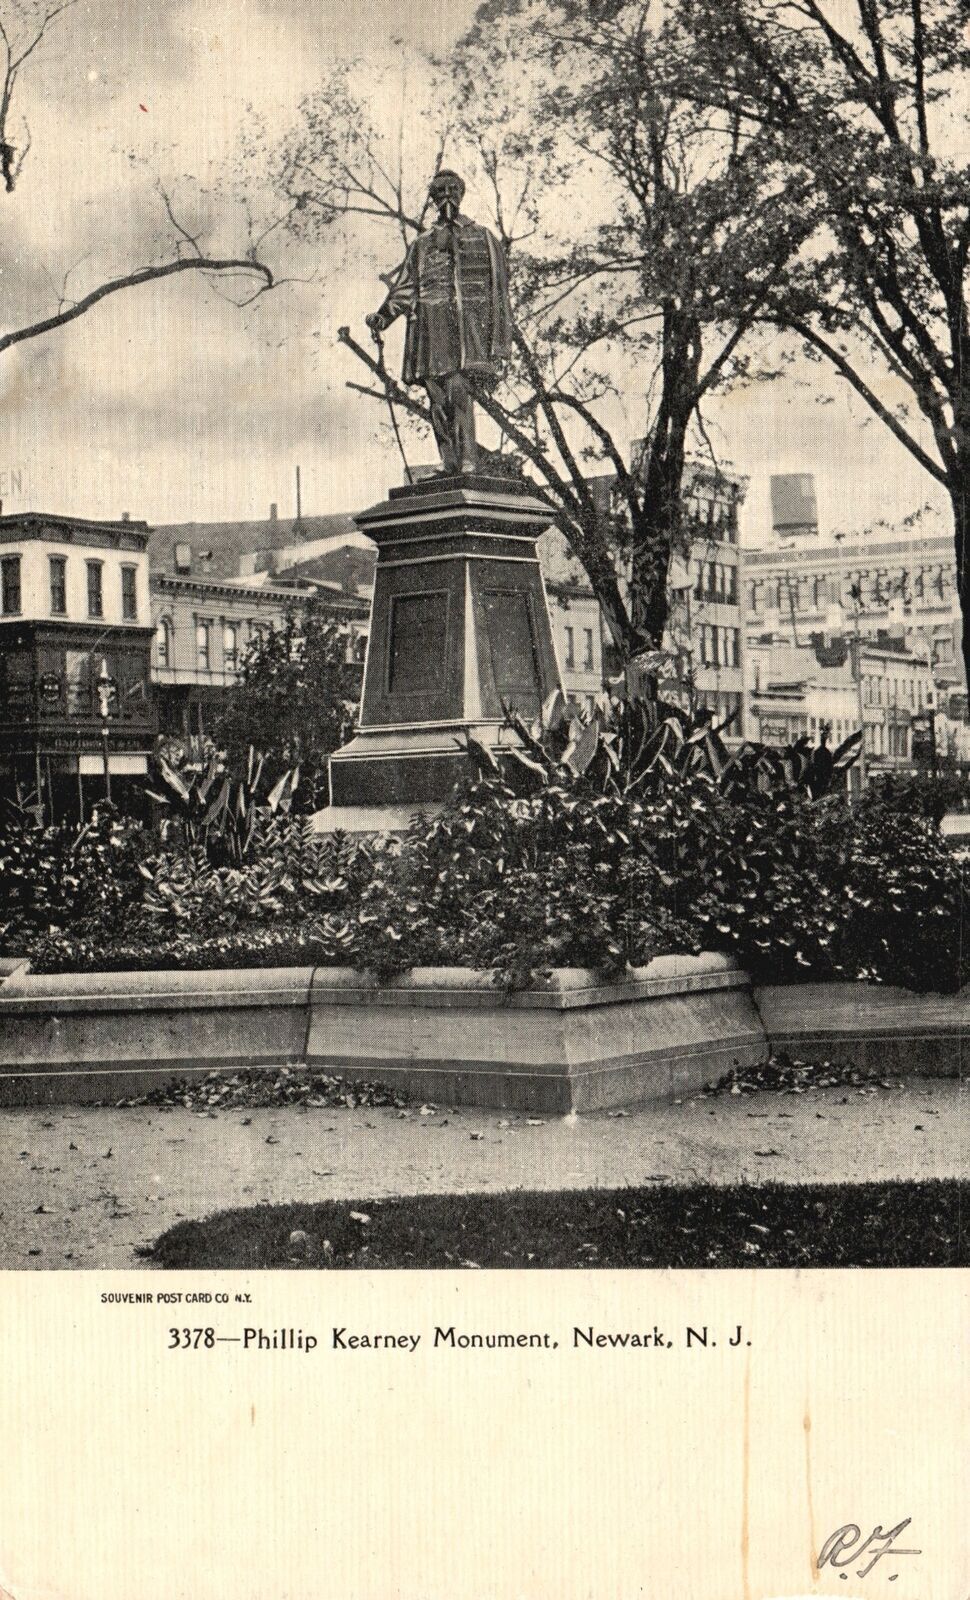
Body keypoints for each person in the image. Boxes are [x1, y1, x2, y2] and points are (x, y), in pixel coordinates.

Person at [365, 169, 513, 475]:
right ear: (432, 199)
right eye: (439, 192)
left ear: (461, 194)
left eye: (451, 190)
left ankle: (468, 459)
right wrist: (384, 316)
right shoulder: (422, 244)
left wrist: (500, 344)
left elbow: (499, 293)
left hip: (465, 329)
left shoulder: (484, 237)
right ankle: (448, 459)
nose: (445, 197)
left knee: (459, 390)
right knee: (435, 395)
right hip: (428, 326)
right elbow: (407, 287)